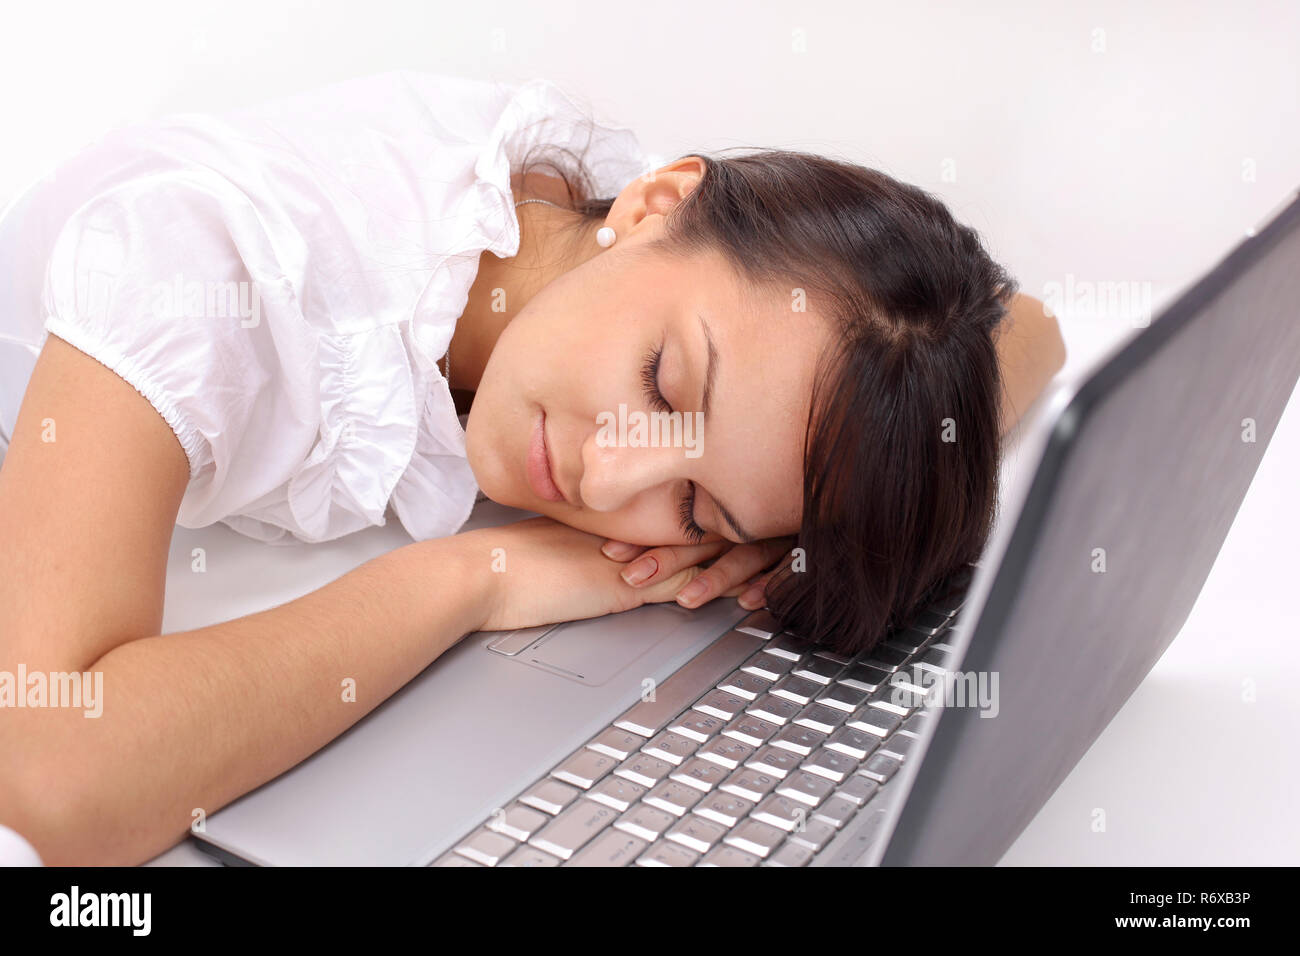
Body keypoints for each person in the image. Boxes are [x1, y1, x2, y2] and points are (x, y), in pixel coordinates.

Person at [0, 71, 1065, 865]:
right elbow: (53, 768)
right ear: (654, 204)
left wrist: (805, 507)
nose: (606, 485)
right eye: (664, 385)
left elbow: (1023, 329)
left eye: (692, 503)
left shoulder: (605, 241)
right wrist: (476, 579)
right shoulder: (197, 266)